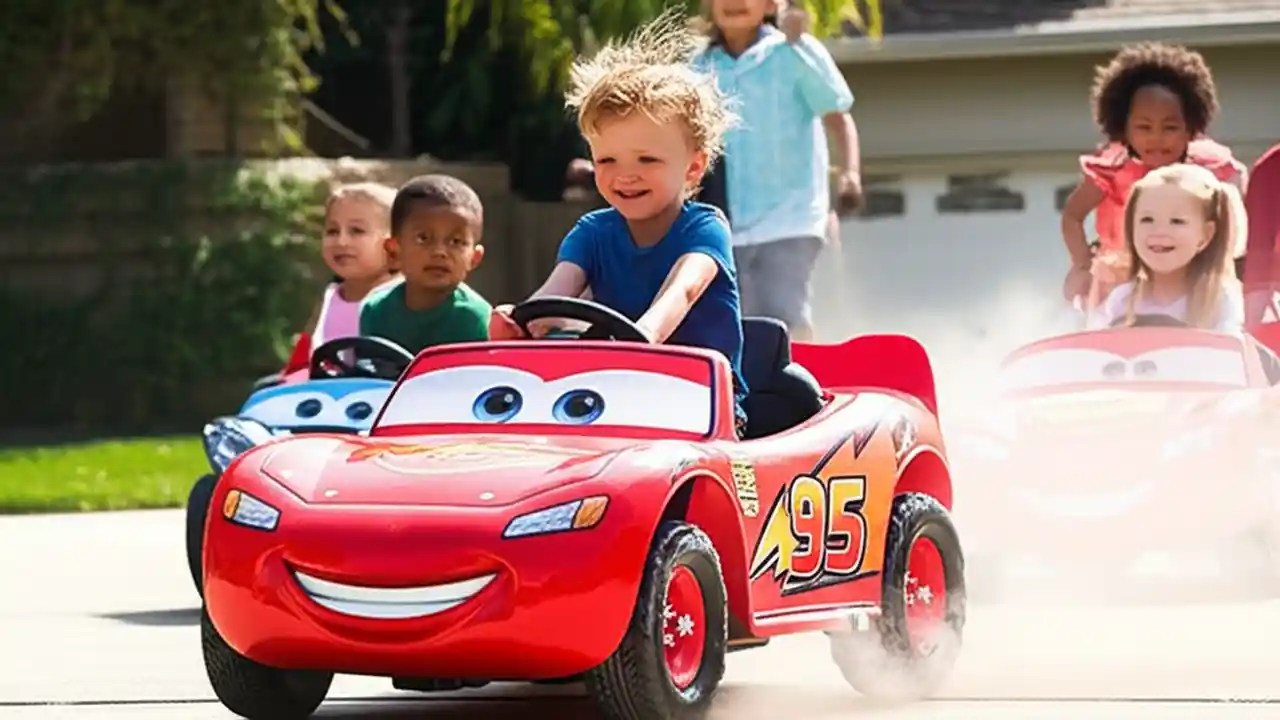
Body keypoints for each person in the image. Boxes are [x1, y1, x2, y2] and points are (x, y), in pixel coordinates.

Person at [490, 10, 751, 436]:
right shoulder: (592, 233)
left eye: (647, 160)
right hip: (613, 397)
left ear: (693, 168)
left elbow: (682, 292)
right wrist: (520, 321)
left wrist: (644, 334)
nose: (624, 175)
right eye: (607, 160)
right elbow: (555, 293)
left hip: (704, 405)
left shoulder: (704, 228)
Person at [691, 0, 857, 341]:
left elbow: (837, 115)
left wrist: (850, 173)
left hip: (791, 215)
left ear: (770, 4)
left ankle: (803, 387)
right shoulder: (697, 67)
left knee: (785, 311)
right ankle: (748, 394)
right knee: (736, 322)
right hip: (726, 221)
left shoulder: (793, 51)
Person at [1060, 42, 1248, 317]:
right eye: (1144, 127)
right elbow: (1072, 216)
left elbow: (1237, 191)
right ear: (1122, 127)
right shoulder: (1112, 168)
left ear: (1191, 127)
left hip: (1192, 280)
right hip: (1119, 279)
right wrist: (1081, 265)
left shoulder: (1207, 169)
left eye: (1170, 127)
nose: (1156, 138)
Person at [1088, 164, 1242, 332]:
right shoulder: (1121, 300)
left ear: (1206, 234)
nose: (1159, 232)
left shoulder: (1220, 301)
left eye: (1177, 221)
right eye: (1147, 219)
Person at [274, 182, 400, 383]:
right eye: (332, 231)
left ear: (395, 246)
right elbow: (301, 361)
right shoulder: (331, 296)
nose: (341, 242)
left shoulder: (407, 297)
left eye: (356, 231)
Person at [358, 174, 492, 354]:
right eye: (423, 238)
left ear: (474, 258)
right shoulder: (375, 311)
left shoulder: (477, 319)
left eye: (456, 242)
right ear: (394, 251)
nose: (439, 252)